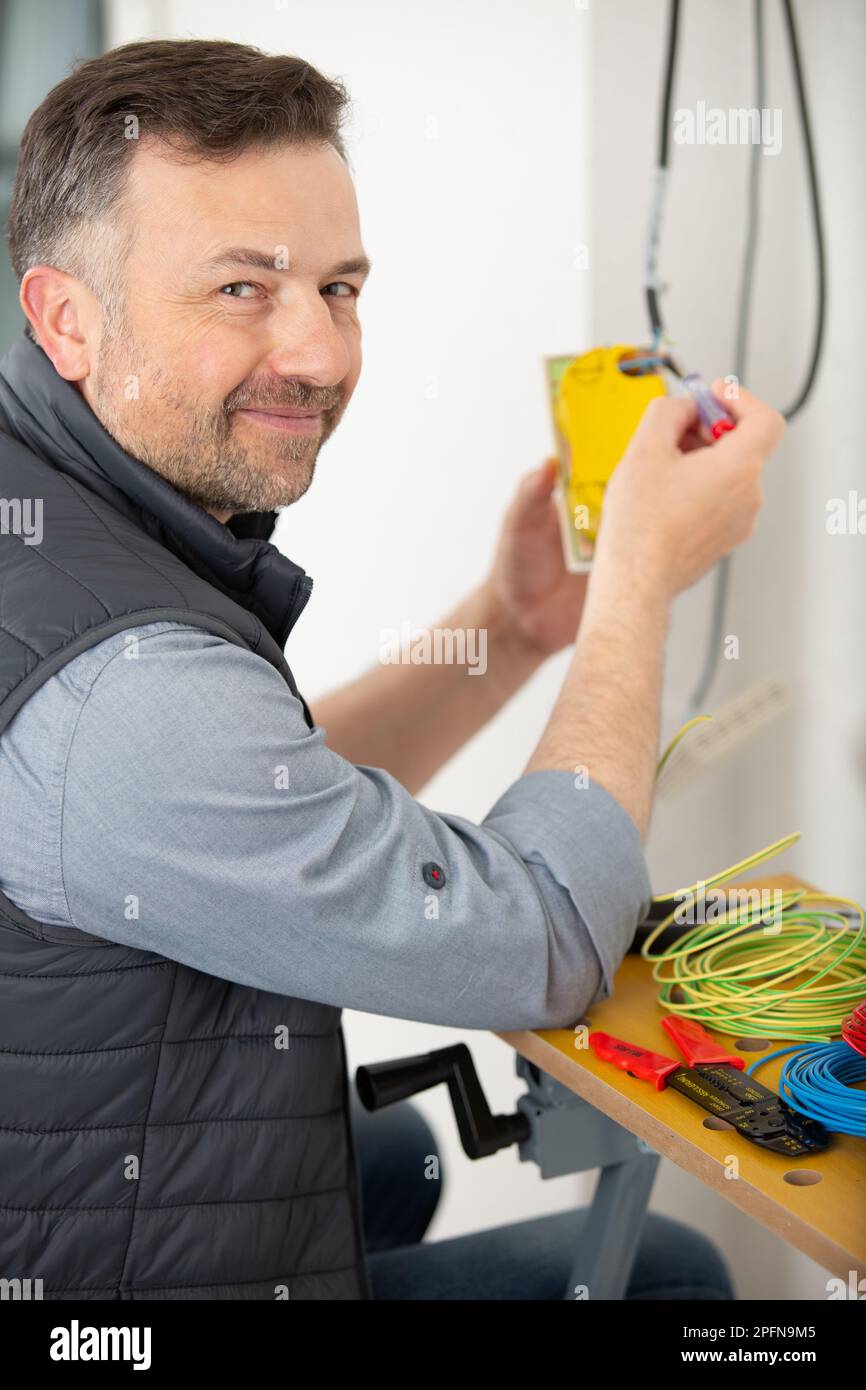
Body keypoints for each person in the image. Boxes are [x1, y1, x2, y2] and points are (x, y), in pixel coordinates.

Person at [0, 39, 783, 1301]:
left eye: (339, 287)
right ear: (67, 317)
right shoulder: (122, 693)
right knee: (673, 1275)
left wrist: (513, 625)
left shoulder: (50, 493)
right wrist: (637, 580)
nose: (316, 353)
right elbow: (541, 940)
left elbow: (255, 797)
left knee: (399, 1155)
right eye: (242, 290)